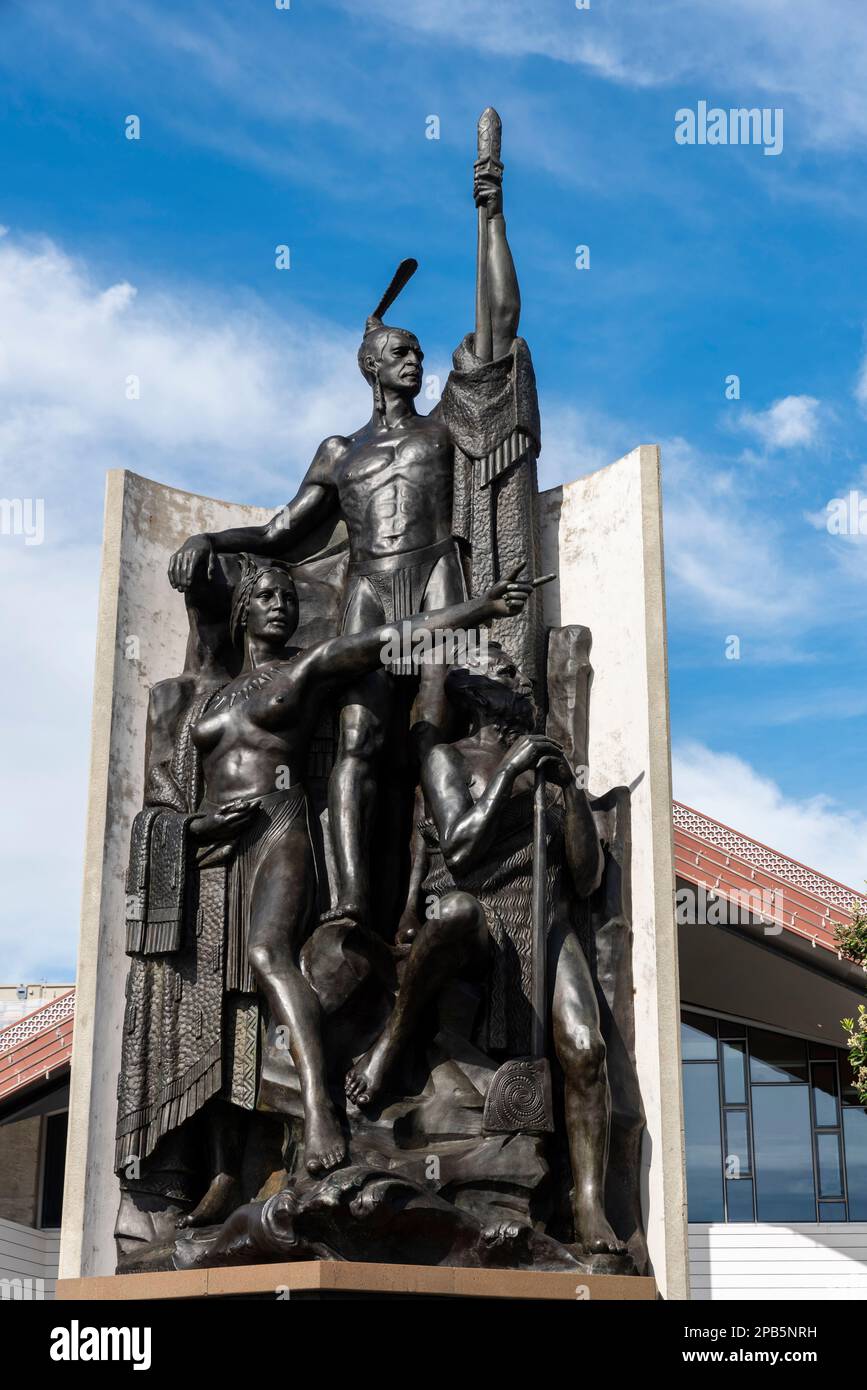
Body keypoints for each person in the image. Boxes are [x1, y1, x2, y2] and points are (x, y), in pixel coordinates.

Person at [167, 159, 542, 945]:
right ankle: (345, 905)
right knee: (357, 742)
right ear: (373, 364)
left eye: (418, 353)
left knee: (426, 737)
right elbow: (280, 534)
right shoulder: (340, 452)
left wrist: (491, 216)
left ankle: (419, 902)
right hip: (367, 592)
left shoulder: (446, 426)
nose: (418, 360)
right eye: (402, 351)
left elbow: (500, 320)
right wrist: (210, 537)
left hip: (437, 582)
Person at [188, 556, 540, 1176]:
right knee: (222, 995)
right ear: (241, 610)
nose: (282, 604)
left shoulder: (302, 671)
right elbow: (202, 624)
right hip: (215, 847)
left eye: (289, 596)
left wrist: (480, 609)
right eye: (267, 595)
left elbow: (384, 639)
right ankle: (224, 1170)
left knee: (267, 955)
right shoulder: (212, 690)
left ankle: (322, 1106)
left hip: (275, 826)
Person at [345, 646, 627, 1257]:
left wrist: (569, 790)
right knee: (455, 915)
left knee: (586, 1046)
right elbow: (462, 849)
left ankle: (586, 1203)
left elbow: (583, 876)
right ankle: (389, 1045)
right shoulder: (450, 760)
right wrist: (507, 774)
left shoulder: (546, 771)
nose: (519, 681)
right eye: (502, 671)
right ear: (472, 689)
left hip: (543, 915)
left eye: (518, 675)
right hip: (475, 908)